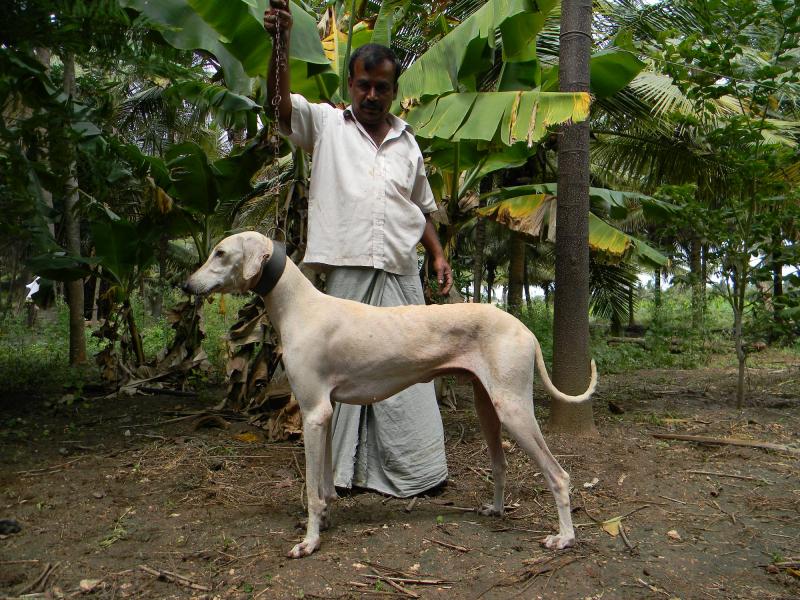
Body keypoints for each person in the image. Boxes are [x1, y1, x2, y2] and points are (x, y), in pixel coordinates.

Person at [264, 0, 452, 498]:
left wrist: (436, 253)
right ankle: (343, 475)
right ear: (350, 85)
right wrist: (279, 44)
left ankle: (417, 472)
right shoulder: (326, 125)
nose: (372, 95)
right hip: (346, 273)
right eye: (363, 85)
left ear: (394, 90)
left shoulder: (408, 143)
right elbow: (279, 106)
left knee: (411, 365)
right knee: (343, 374)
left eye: (382, 87)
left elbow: (420, 206)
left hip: (399, 269)